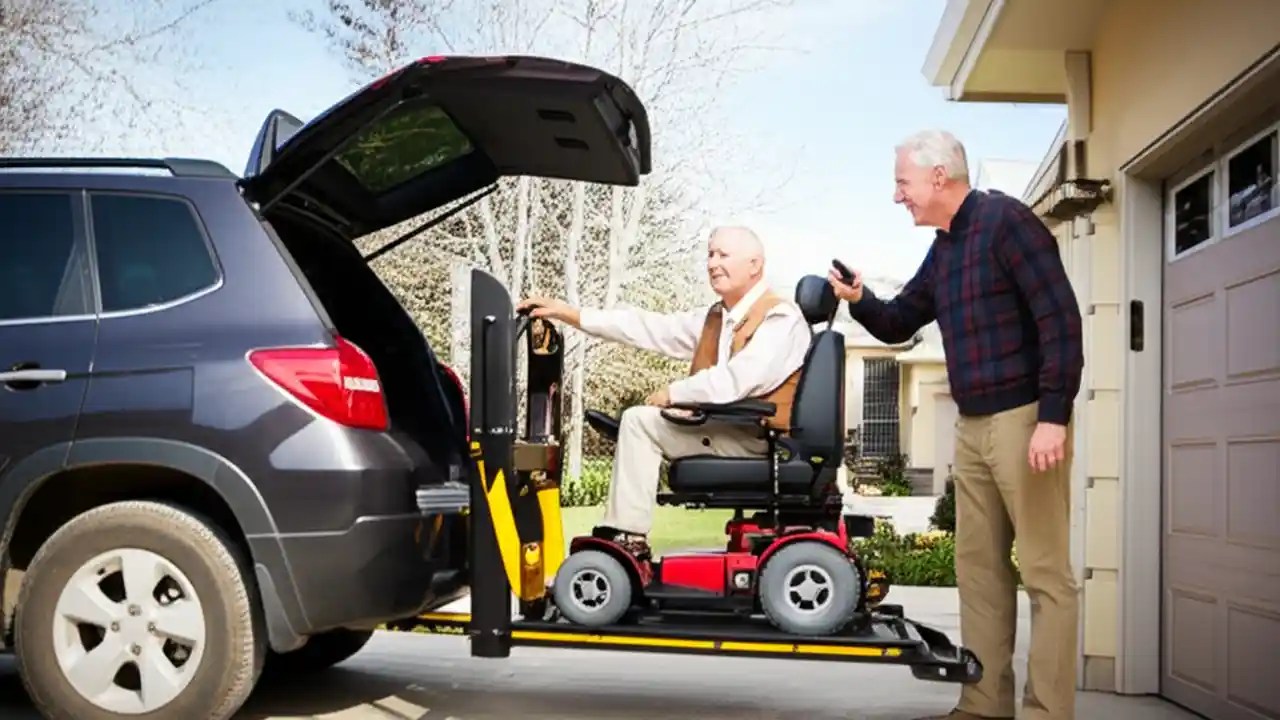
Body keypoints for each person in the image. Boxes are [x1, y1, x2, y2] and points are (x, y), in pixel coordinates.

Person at [829, 130, 1084, 720]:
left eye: (903, 183)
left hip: (1025, 421)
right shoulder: (945, 248)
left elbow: (1060, 321)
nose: (899, 197)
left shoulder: (1006, 222)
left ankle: (1049, 711)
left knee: (1046, 573)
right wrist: (861, 298)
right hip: (971, 428)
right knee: (977, 571)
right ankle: (984, 704)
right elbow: (899, 321)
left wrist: (1053, 416)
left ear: (939, 176)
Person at [518, 226, 811, 560]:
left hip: (760, 439)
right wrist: (569, 314)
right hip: (734, 429)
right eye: (710, 255)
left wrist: (674, 393)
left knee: (641, 422)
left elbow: (739, 380)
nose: (712, 263)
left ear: (755, 265)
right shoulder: (718, 318)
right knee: (641, 422)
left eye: (723, 255)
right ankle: (625, 536)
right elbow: (647, 328)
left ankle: (627, 538)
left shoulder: (780, 318)